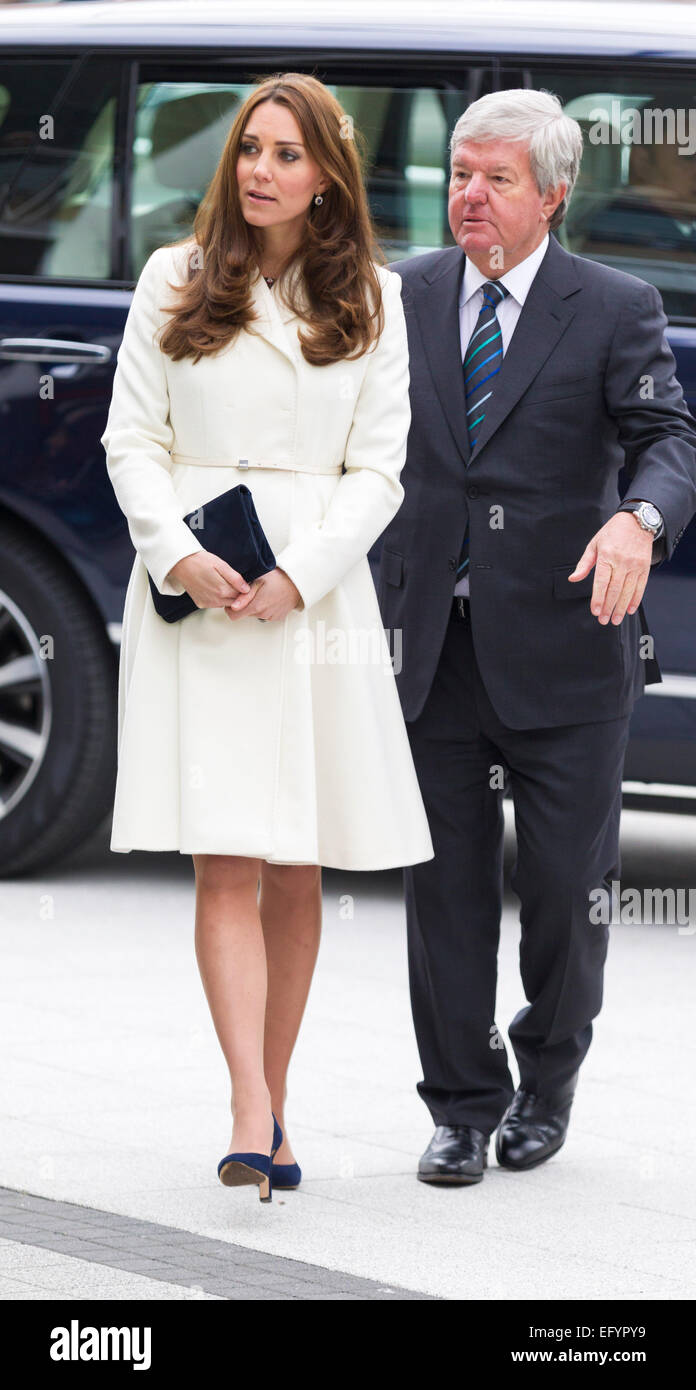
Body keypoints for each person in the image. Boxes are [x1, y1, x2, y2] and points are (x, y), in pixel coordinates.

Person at [101, 72, 434, 1204]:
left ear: (327, 176)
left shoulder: (378, 302)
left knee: (295, 864)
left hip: (308, 603)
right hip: (198, 591)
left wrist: (299, 574)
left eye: (287, 153)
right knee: (224, 856)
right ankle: (251, 1104)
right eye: (250, 148)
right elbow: (130, 439)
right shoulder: (172, 279)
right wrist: (174, 550)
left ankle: (270, 1103)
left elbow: (382, 471)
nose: (259, 170)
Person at [376, 87, 696, 1185]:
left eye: (497, 178)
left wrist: (637, 518)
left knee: (566, 891)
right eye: (461, 173)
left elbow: (668, 439)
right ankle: (461, 1104)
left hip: (567, 644)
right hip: (434, 649)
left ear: (551, 194)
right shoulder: (401, 294)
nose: (470, 194)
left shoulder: (613, 306)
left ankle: (546, 1078)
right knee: (445, 891)